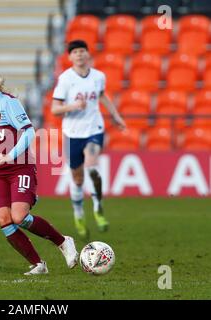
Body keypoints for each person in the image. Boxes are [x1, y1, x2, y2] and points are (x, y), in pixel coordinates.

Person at [0, 61, 79, 275]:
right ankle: (38, 264)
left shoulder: (8, 103)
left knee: (19, 216)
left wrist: (9, 155)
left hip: (19, 167)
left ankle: (63, 241)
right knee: (4, 219)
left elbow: (29, 132)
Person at [51, 40, 126, 239]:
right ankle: (78, 214)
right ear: (70, 57)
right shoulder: (66, 79)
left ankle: (98, 208)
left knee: (92, 165)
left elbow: (102, 96)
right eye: (75, 52)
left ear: (88, 54)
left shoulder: (99, 76)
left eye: (82, 51)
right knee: (77, 178)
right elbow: (55, 109)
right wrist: (73, 106)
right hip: (72, 133)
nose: (79, 55)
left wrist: (115, 115)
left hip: (94, 129)